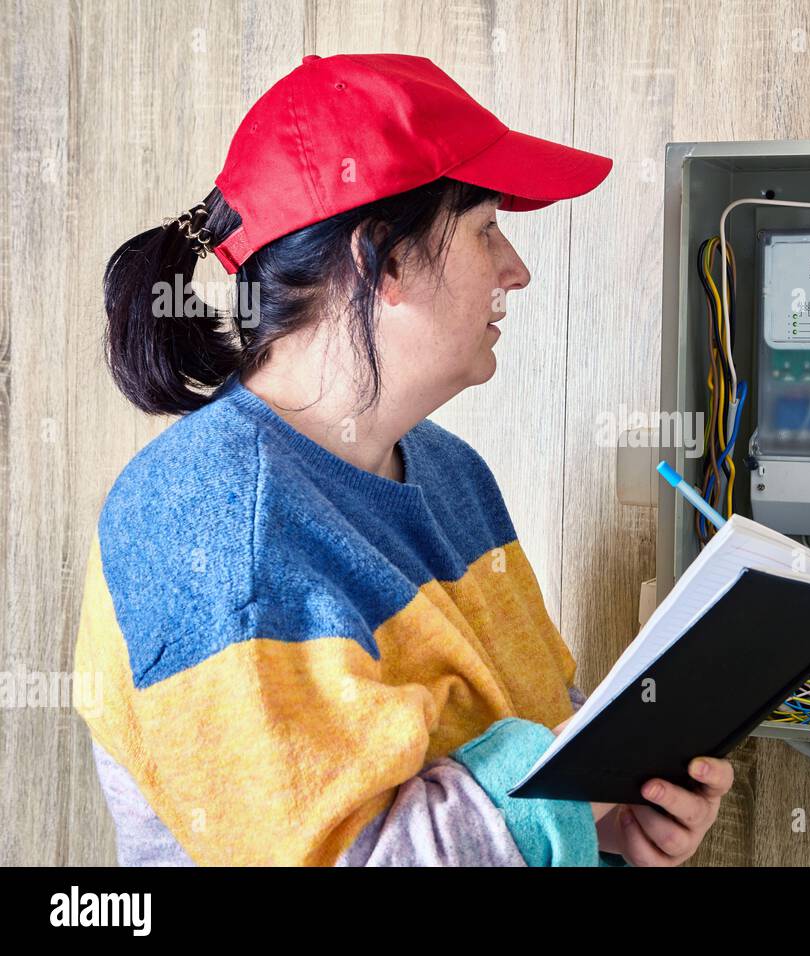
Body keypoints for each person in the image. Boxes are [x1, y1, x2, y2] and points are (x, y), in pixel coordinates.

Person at [73, 52, 733, 867]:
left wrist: (612, 832)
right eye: (487, 229)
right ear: (381, 260)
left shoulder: (454, 476)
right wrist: (567, 787)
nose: (515, 270)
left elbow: (543, 752)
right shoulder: (203, 526)